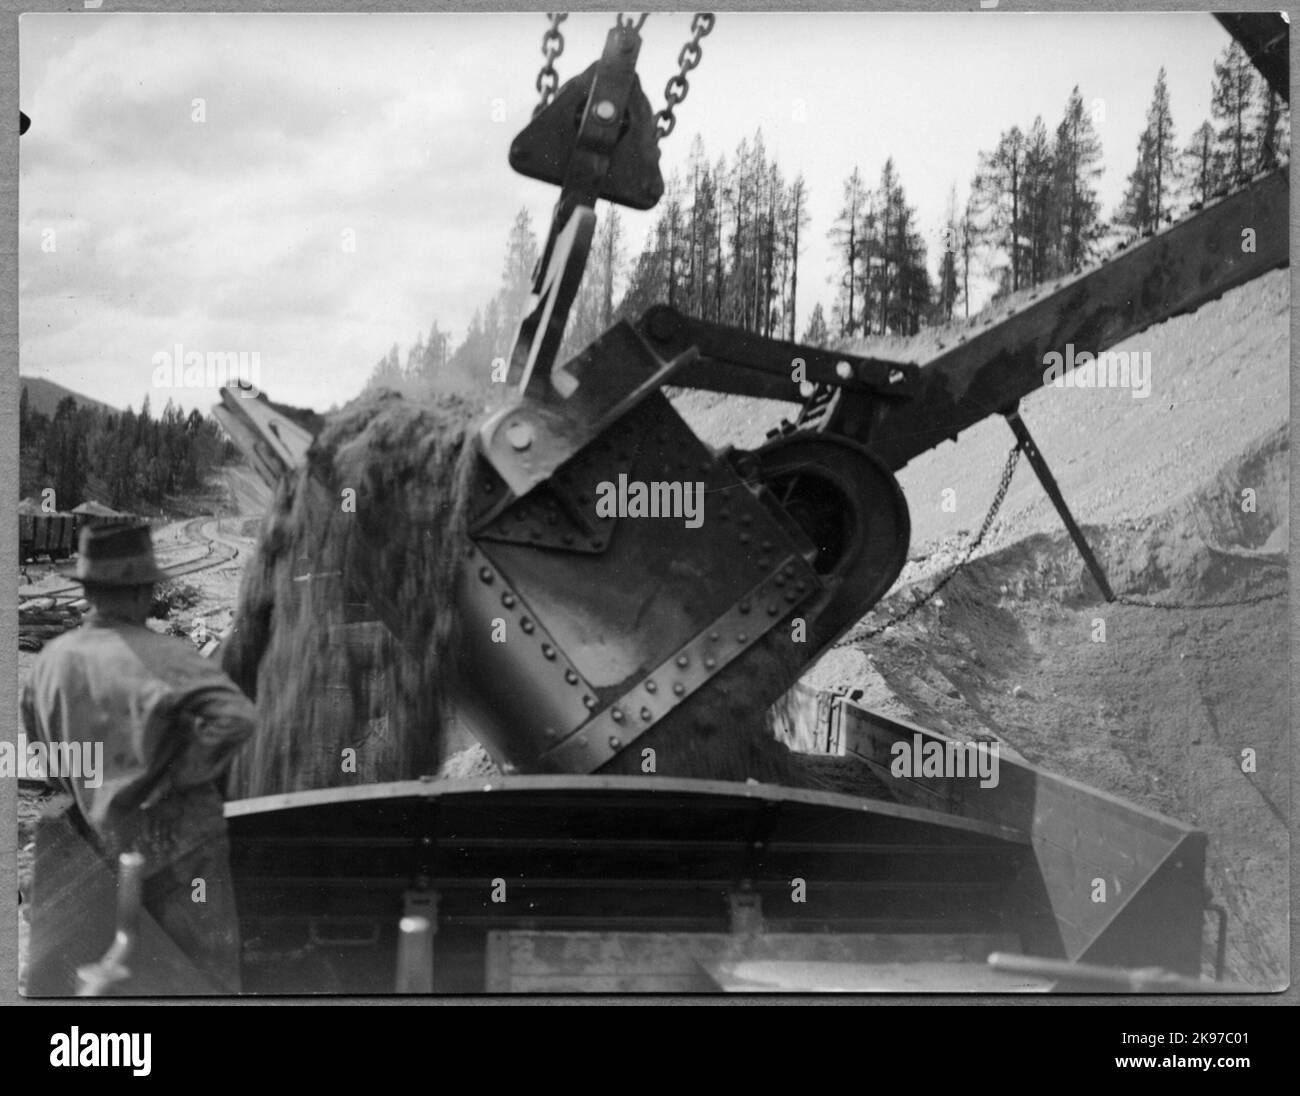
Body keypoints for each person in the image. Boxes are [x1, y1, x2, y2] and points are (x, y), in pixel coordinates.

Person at [21, 521, 257, 993]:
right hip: (178, 851)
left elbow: (48, 756)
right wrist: (175, 778)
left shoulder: (48, 663)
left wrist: (97, 792)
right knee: (202, 977)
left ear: (88, 589)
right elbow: (237, 717)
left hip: (95, 850)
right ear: (142, 591)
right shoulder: (165, 656)